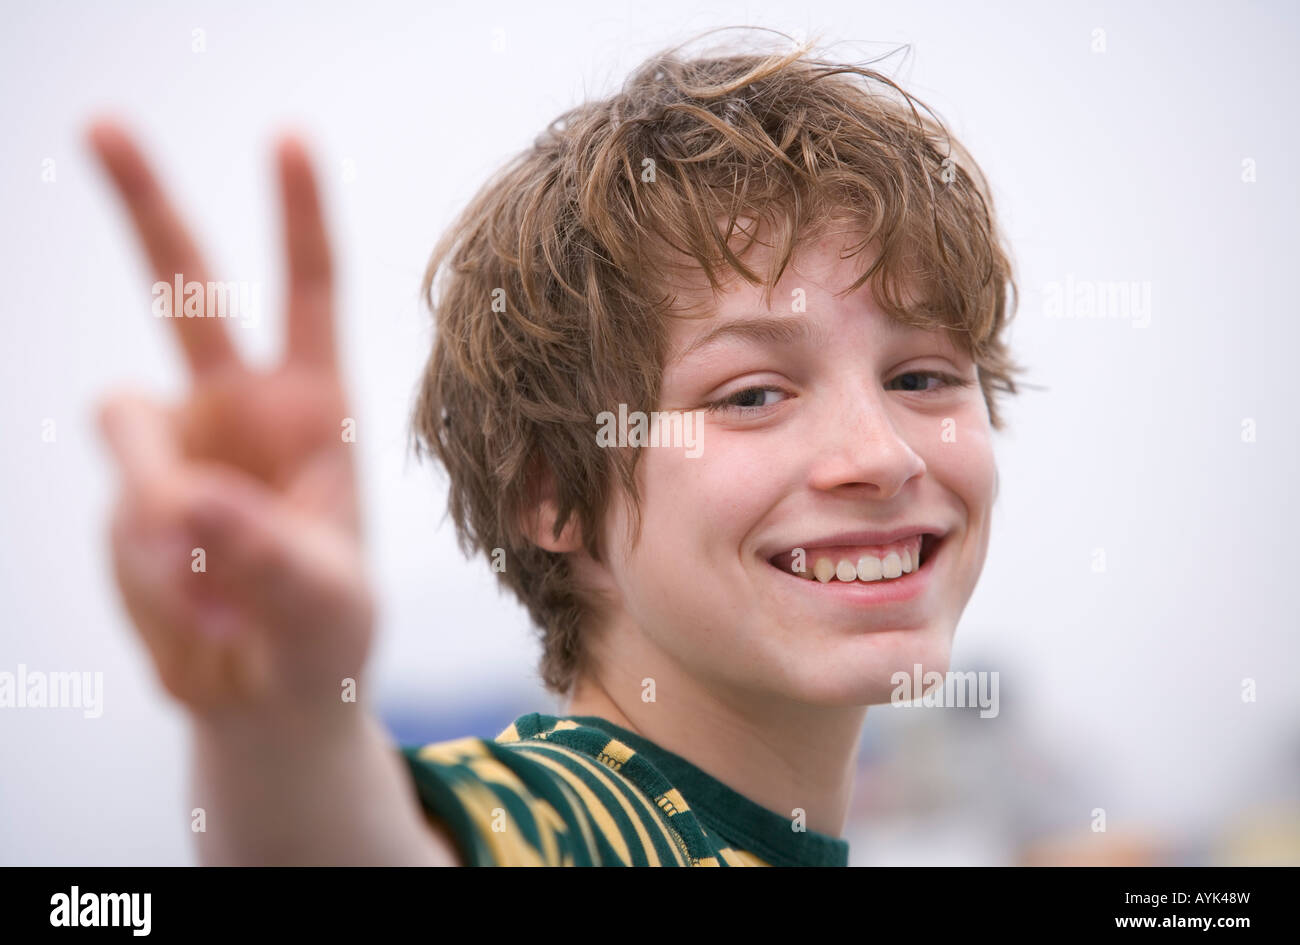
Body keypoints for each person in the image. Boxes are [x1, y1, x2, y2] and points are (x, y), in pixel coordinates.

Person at [90, 31, 1025, 866]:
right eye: (752, 395)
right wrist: (282, 730)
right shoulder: (588, 819)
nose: (883, 453)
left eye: (921, 377)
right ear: (554, 494)